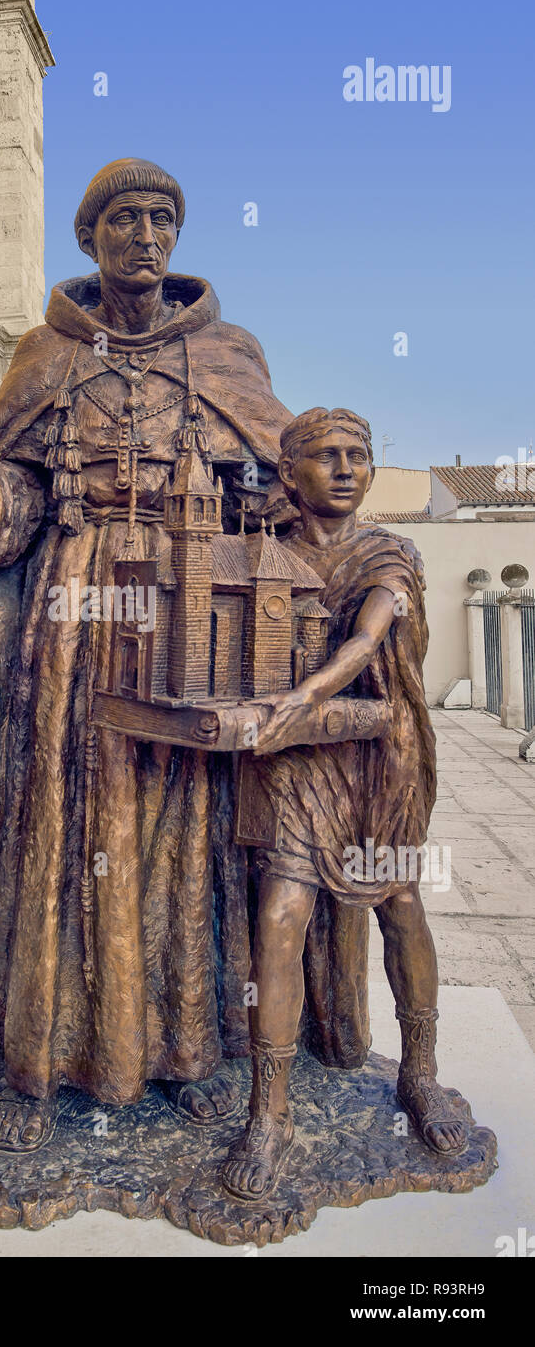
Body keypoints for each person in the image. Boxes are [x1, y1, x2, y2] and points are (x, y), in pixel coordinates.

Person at [0, 158, 298, 1151]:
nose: (146, 235)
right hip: (74, 603)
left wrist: (269, 498)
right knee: (58, 799)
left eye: (162, 220)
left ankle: (187, 1049)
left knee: (182, 811)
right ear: (90, 238)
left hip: (184, 601)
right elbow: (5, 503)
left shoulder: (226, 353)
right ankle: (38, 1054)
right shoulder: (44, 354)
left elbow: (293, 473)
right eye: (125, 219)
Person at [219, 408, 469, 1202]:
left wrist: (304, 694)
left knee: (399, 905)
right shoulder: (268, 556)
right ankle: (270, 1112)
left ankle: (421, 1075)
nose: (346, 467)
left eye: (357, 455)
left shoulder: (389, 552)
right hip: (297, 765)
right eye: (324, 456)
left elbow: (367, 639)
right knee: (281, 915)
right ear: (289, 474)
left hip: (378, 760)